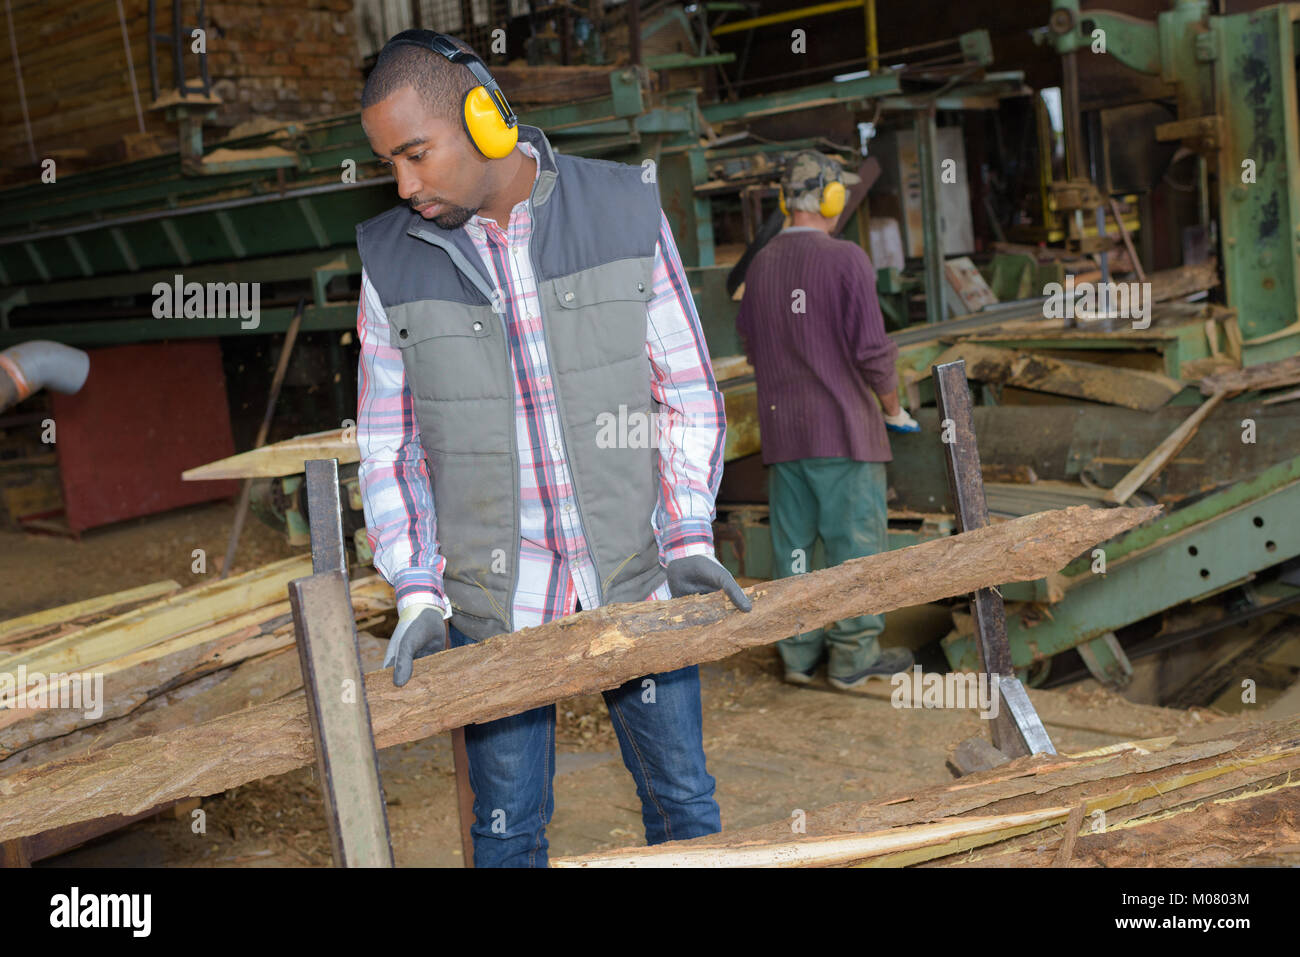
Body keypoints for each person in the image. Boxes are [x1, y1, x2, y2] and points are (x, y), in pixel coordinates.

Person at [353, 30, 751, 868]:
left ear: (486, 119)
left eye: (417, 154)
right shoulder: (390, 261)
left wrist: (686, 535)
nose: (405, 185)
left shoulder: (623, 208)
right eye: (390, 162)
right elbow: (390, 444)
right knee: (506, 825)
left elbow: (683, 389)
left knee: (684, 803)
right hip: (494, 600)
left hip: (637, 578)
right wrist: (420, 591)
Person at [735, 150, 918, 692]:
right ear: (832, 198)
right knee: (854, 549)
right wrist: (892, 408)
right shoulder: (846, 259)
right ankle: (853, 656)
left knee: (794, 551)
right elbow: (872, 350)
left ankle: (797, 655)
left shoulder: (761, 264)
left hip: (784, 437)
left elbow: (752, 345)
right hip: (843, 433)